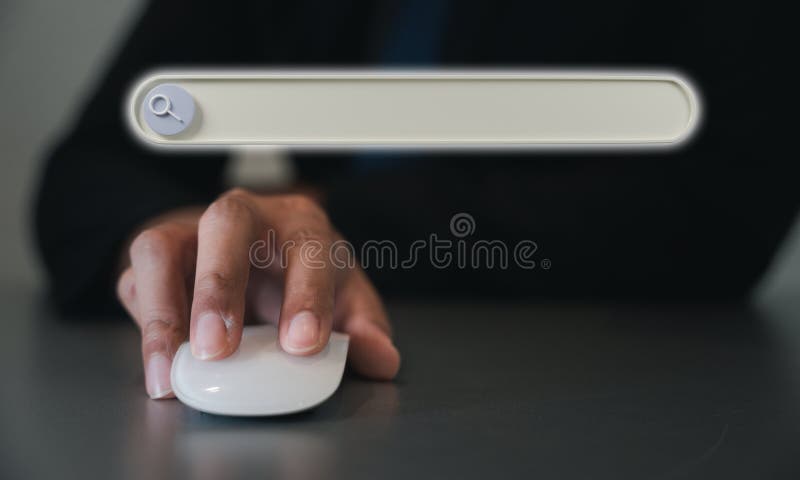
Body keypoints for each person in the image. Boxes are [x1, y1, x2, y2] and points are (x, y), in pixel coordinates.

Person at [34, 0, 797, 399]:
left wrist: (327, 214)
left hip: (623, 364)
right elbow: (88, 167)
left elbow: (726, 208)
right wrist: (176, 234)